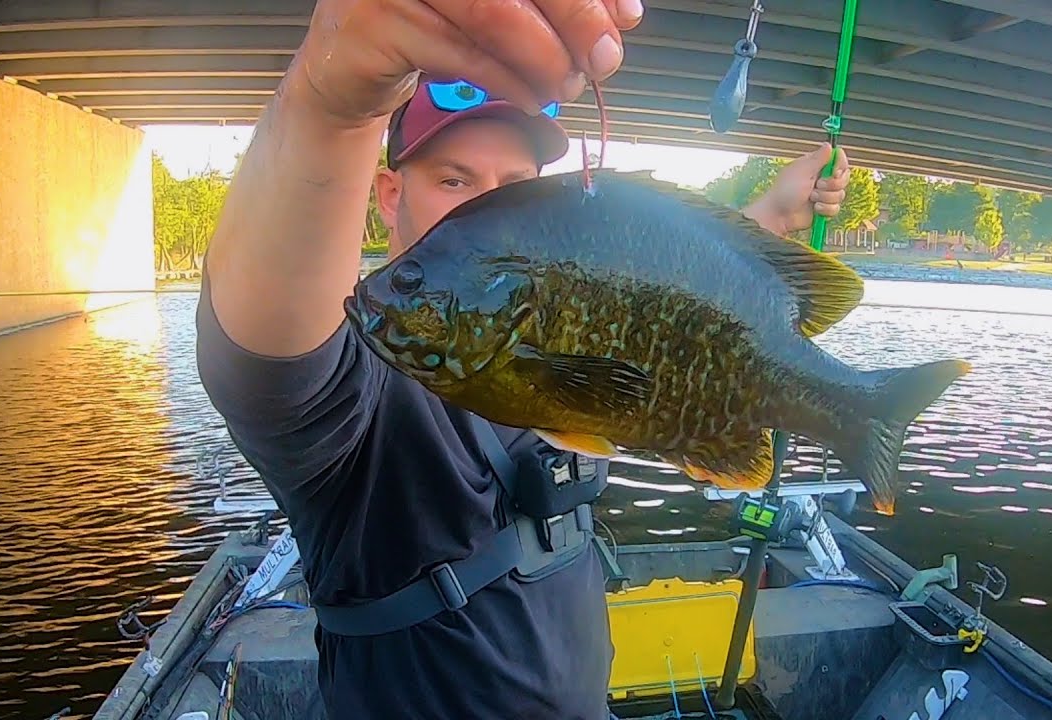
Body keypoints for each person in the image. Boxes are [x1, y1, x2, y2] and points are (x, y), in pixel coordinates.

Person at [194, 0, 852, 716]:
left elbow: (679, 317)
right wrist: (332, 105)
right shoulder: (351, 381)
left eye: (518, 189)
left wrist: (775, 217)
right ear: (387, 193)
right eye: (454, 179)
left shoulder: (559, 320)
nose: (491, 215)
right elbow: (269, 348)